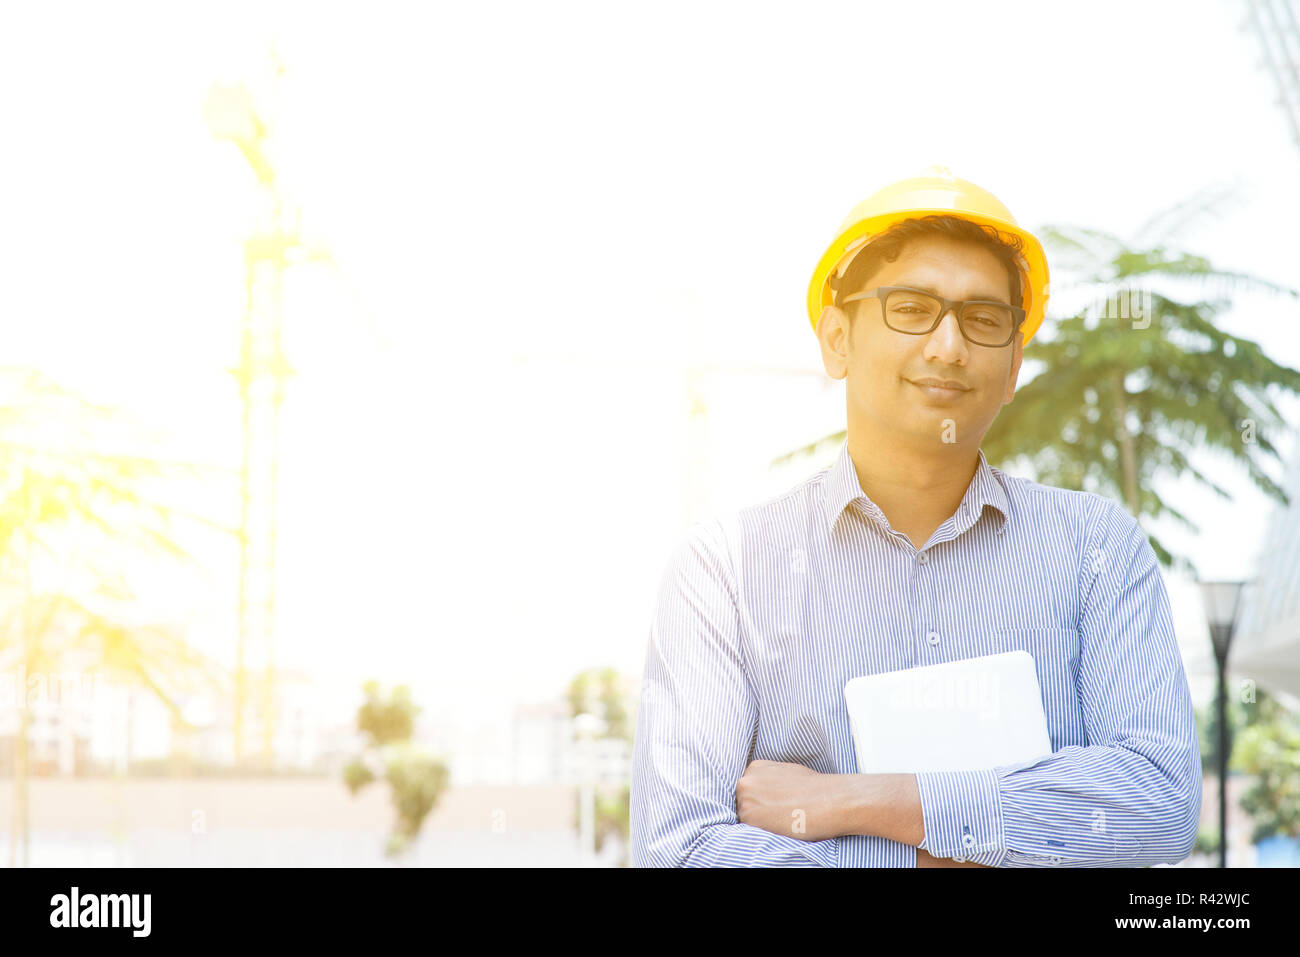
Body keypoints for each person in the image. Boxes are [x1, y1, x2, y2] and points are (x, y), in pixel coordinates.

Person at [629, 167, 1202, 867]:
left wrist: (861, 803)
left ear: (1015, 359)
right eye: (911, 308)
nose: (948, 346)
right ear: (836, 337)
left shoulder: (1096, 547)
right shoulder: (725, 570)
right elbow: (682, 849)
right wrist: (975, 844)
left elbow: (1160, 802)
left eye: (983, 319)